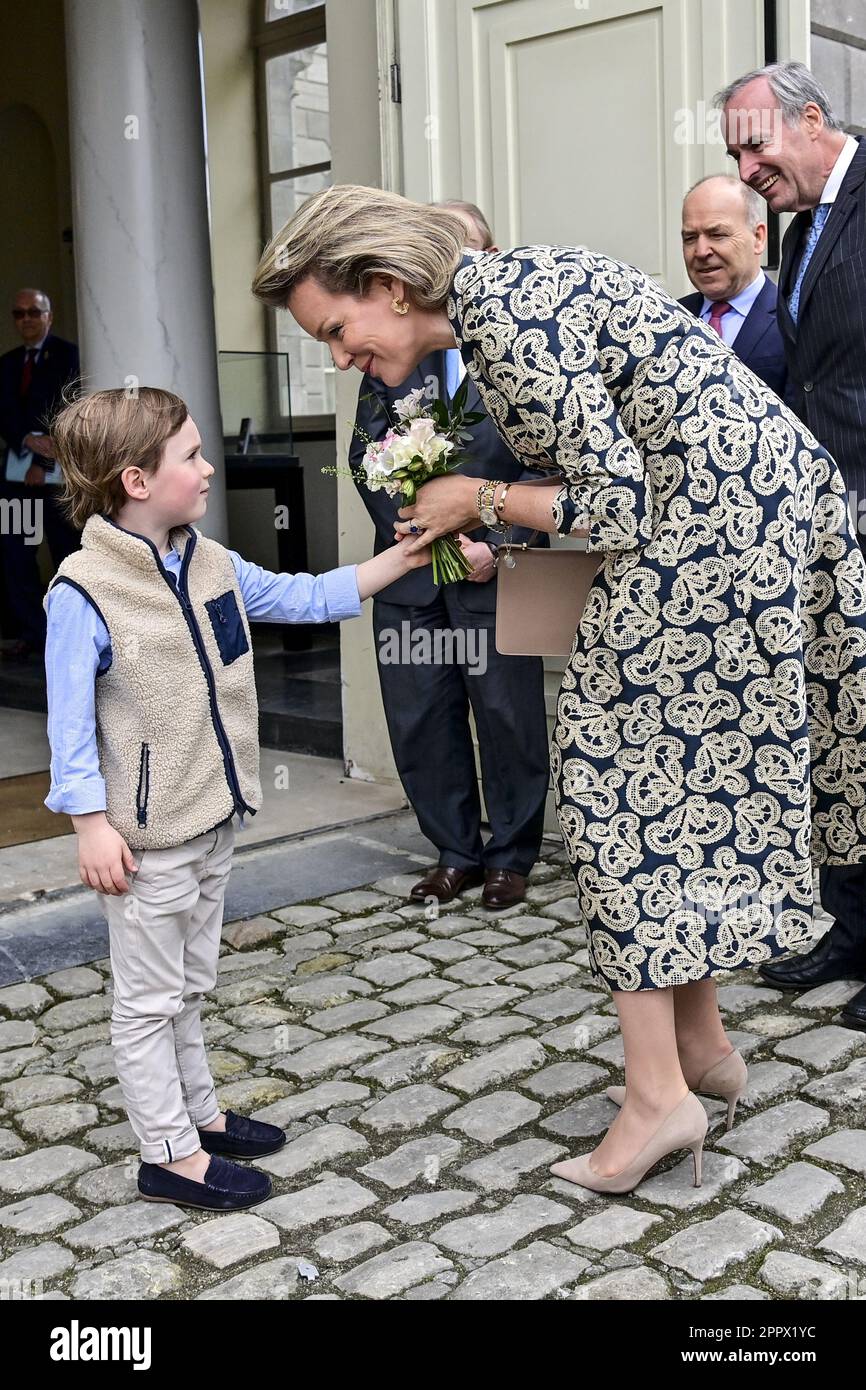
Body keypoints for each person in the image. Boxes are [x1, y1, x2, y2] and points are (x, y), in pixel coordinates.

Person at [252, 185, 866, 1194]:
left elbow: (612, 502)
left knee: (615, 791)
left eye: (336, 328)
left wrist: (471, 496)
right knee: (666, 788)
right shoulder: (509, 285)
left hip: (712, 537)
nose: (337, 356)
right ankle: (699, 1044)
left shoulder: (499, 311)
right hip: (742, 524)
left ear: (388, 286)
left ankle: (655, 1097)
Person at [44, 386, 428, 1211]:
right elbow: (69, 725)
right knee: (147, 1002)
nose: (208, 464)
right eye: (190, 454)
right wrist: (89, 826)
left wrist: (399, 559)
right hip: (146, 837)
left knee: (190, 984)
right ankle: (168, 1155)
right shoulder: (83, 591)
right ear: (136, 481)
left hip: (215, 818)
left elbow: (300, 596)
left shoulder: (210, 560)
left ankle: (201, 1116)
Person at [717, 60, 866, 1030]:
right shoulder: (799, 228)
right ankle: (849, 929)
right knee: (840, 740)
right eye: (732, 152)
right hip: (821, 529)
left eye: (754, 143)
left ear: (810, 120)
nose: (743, 169)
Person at [350, 198, 550, 909]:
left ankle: (511, 857)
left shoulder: (517, 349)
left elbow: (546, 463)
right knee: (421, 717)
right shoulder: (394, 354)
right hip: (411, 575)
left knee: (506, 716)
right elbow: (365, 455)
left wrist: (496, 541)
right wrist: (419, 533)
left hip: (495, 571)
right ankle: (454, 852)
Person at [0, 289, 80, 658]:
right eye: (19, 314)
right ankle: (36, 632)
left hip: (59, 480)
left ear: (49, 315)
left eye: (34, 312)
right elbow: (6, 414)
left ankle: (74, 633)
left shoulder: (69, 356)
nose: (26, 319)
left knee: (67, 552)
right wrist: (28, 443)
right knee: (15, 553)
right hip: (17, 479)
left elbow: (72, 412)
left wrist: (43, 461)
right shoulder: (8, 362)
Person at [680, 175, 786, 397]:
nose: (701, 251)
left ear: (758, 238)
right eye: (690, 238)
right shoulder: (669, 319)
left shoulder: (793, 322)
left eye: (717, 234)